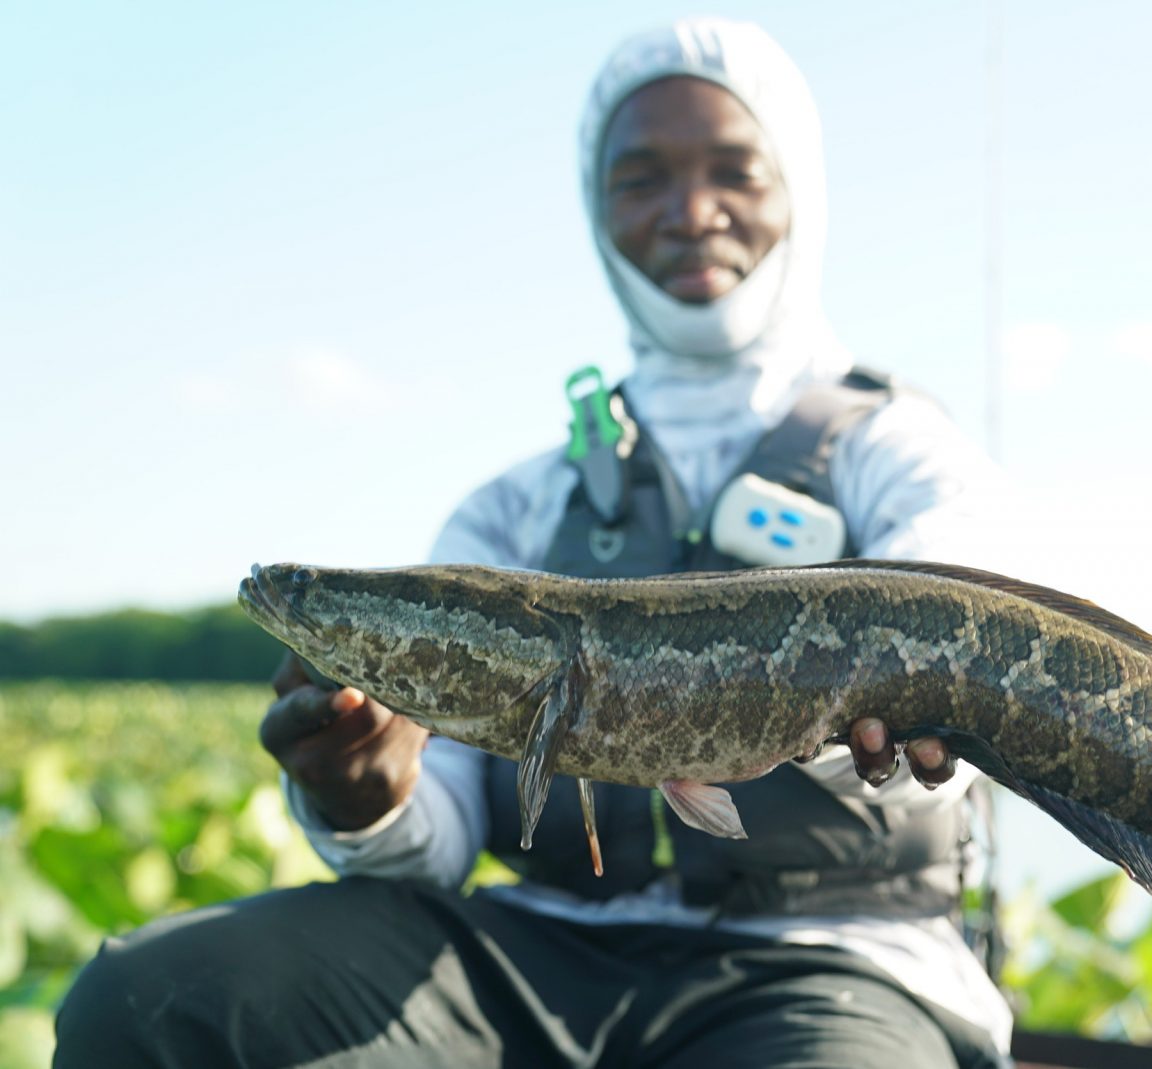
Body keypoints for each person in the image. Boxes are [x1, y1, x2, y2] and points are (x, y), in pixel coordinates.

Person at [55, 18, 1020, 1068]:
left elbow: (985, 723)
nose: (691, 212)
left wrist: (862, 740)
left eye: (734, 170)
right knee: (150, 1002)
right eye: (641, 178)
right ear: (598, 208)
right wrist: (363, 793)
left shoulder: (908, 454)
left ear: (800, 186)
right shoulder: (513, 506)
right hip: (542, 952)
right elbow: (439, 838)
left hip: (838, 961)